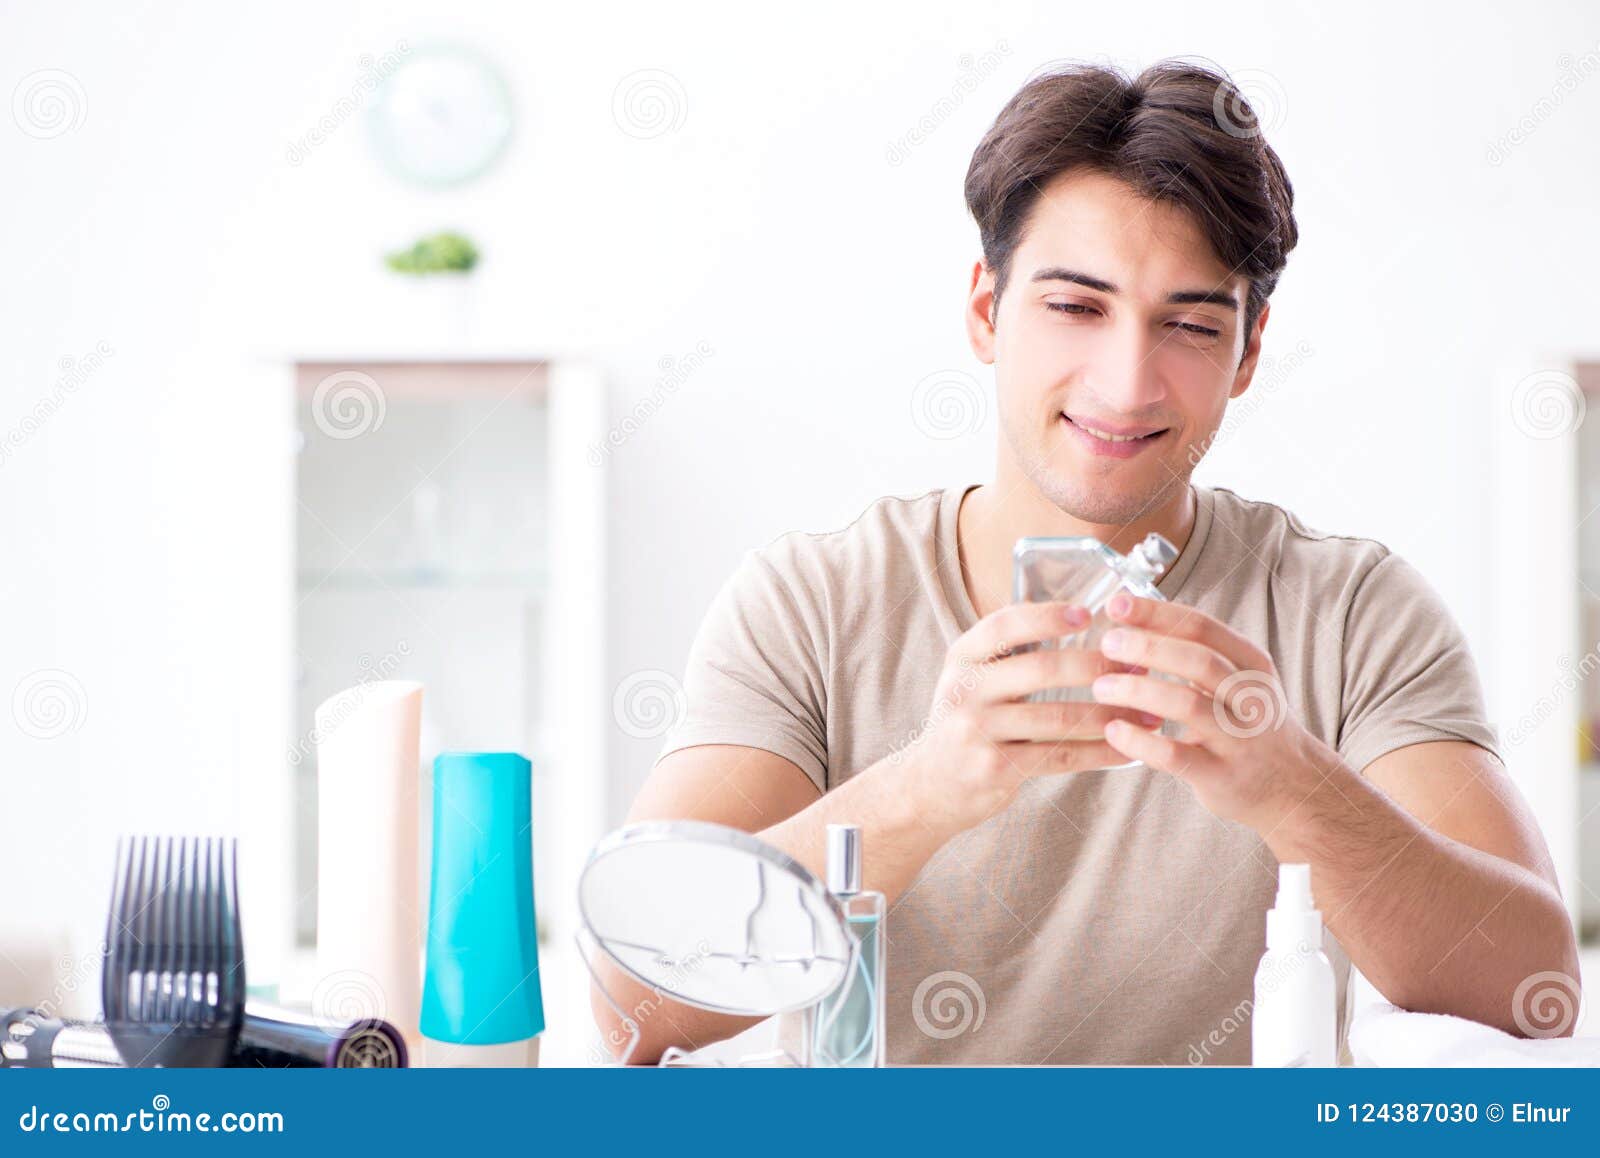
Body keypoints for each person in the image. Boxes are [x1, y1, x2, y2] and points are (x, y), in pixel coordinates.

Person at [595, 59, 1580, 1065]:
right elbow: (634, 1001)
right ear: (986, 311)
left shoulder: (1350, 611)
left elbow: (1533, 997)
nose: (1125, 383)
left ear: (1247, 354)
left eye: (1190, 326)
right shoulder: (809, 604)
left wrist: (1291, 787)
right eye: (1076, 307)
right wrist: (927, 786)